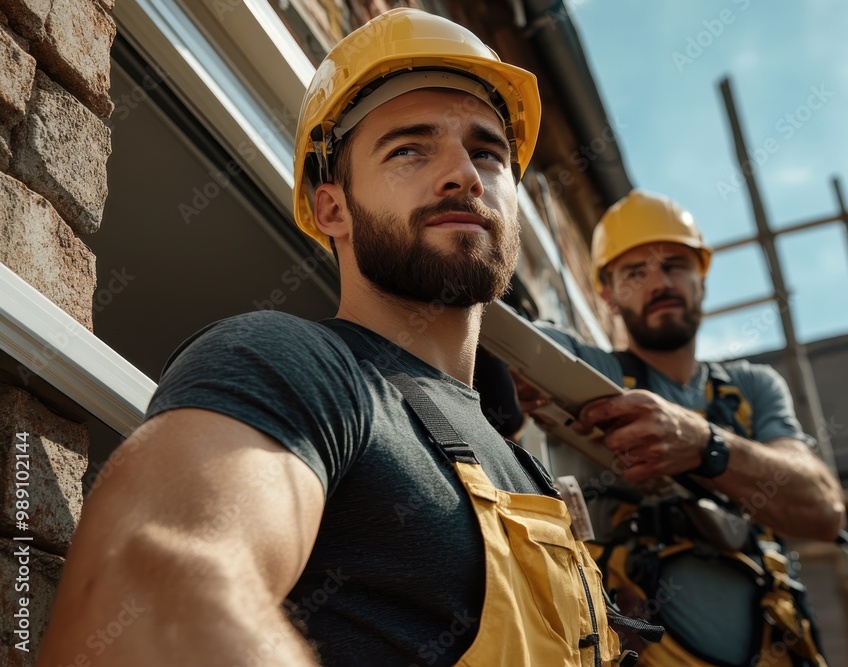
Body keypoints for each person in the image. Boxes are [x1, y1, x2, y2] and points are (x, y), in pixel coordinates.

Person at [37, 9, 631, 666]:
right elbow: (152, 598)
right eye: (409, 149)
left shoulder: (529, 471)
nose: (464, 173)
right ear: (333, 208)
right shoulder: (295, 366)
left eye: (487, 152)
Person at [514, 190, 845, 666]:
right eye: (636, 272)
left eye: (675, 265)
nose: (660, 282)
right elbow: (505, 339)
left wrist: (706, 445)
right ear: (606, 295)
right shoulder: (588, 370)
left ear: (701, 280)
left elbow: (825, 511)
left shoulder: (749, 391)